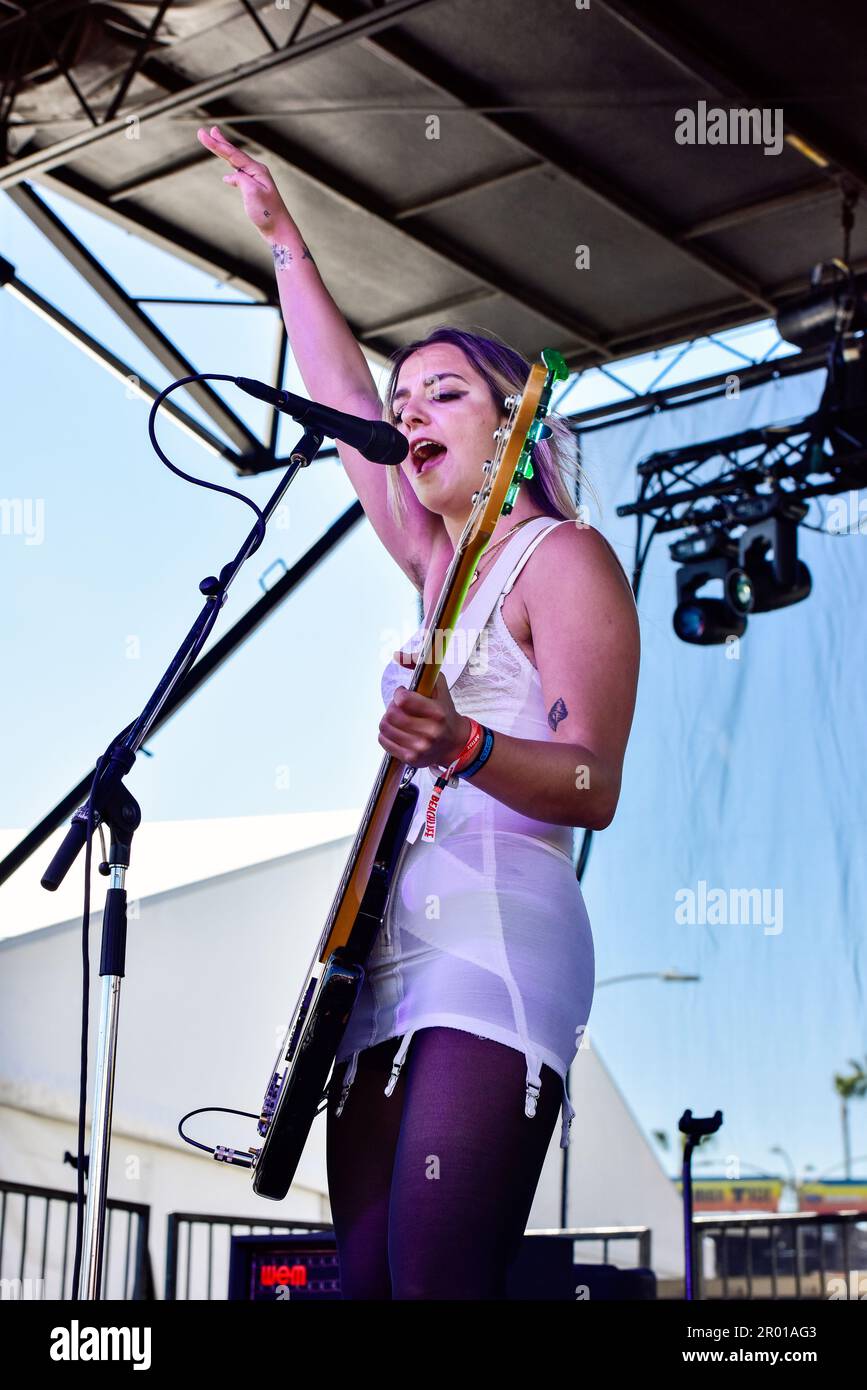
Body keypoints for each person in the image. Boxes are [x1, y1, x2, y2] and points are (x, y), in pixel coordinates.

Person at [198, 125, 641, 1300]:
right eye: (409, 399)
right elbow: (342, 394)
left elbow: (597, 779)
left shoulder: (564, 555)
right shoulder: (431, 567)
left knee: (438, 1275)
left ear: (513, 424)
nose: (412, 410)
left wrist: (467, 742)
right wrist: (284, 238)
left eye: (446, 391)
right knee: (369, 1285)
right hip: (382, 949)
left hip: (498, 932)